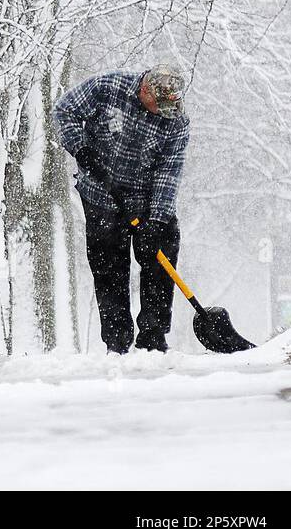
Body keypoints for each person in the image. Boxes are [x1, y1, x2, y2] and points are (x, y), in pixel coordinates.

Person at [52, 66, 189, 353]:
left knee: (160, 257)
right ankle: (117, 341)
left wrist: (157, 220)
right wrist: (83, 151)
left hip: (146, 199)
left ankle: (153, 338)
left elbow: (169, 170)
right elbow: (64, 111)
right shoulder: (107, 88)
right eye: (158, 106)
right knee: (109, 266)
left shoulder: (176, 120)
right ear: (145, 90)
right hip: (101, 193)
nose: (163, 113)